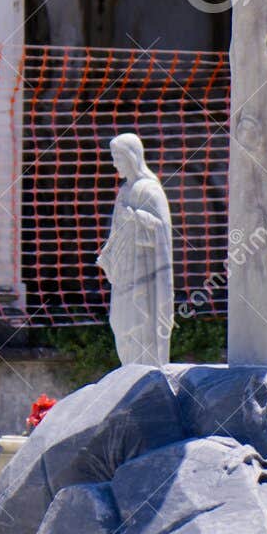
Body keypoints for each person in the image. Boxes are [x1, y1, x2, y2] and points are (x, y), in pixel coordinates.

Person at [95, 133, 174, 366]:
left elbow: (162, 232)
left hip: (144, 275)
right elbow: (117, 231)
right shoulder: (124, 191)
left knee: (141, 325)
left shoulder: (149, 190)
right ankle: (129, 372)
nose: (114, 163)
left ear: (131, 158)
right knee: (121, 326)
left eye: (118, 157)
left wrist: (137, 219)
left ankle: (145, 375)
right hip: (124, 273)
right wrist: (108, 255)